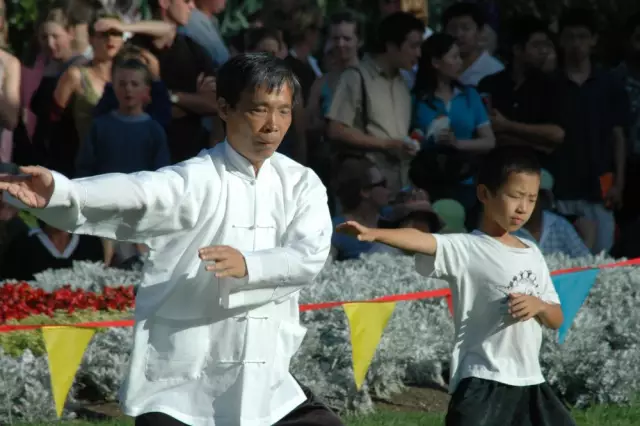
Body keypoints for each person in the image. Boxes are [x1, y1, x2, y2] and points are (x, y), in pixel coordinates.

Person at [0, 53, 341, 426]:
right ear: (224, 109)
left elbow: (310, 253)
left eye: (284, 111)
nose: (272, 125)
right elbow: (137, 192)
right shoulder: (196, 179)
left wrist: (250, 264)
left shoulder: (301, 183)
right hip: (185, 380)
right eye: (259, 110)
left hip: (268, 382)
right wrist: (62, 193)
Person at [336, 146, 574, 426]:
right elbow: (420, 238)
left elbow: (557, 318)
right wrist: (373, 232)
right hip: (483, 379)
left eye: (531, 199)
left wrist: (539, 306)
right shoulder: (467, 247)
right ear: (485, 194)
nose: (523, 207)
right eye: (515, 196)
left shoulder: (532, 251)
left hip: (531, 381)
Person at [478, 16, 564, 155]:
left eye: (547, 45)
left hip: (540, 170)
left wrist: (507, 126)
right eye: (537, 45)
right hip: (497, 167)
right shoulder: (489, 85)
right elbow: (487, 134)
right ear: (518, 49)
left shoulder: (553, 85)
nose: (544, 51)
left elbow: (556, 134)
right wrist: (536, 142)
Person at [76, 57, 170, 177]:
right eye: (122, 84)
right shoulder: (99, 126)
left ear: (146, 90)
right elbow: (84, 168)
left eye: (134, 84)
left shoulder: (154, 130)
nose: (128, 89)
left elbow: (161, 174)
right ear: (113, 87)